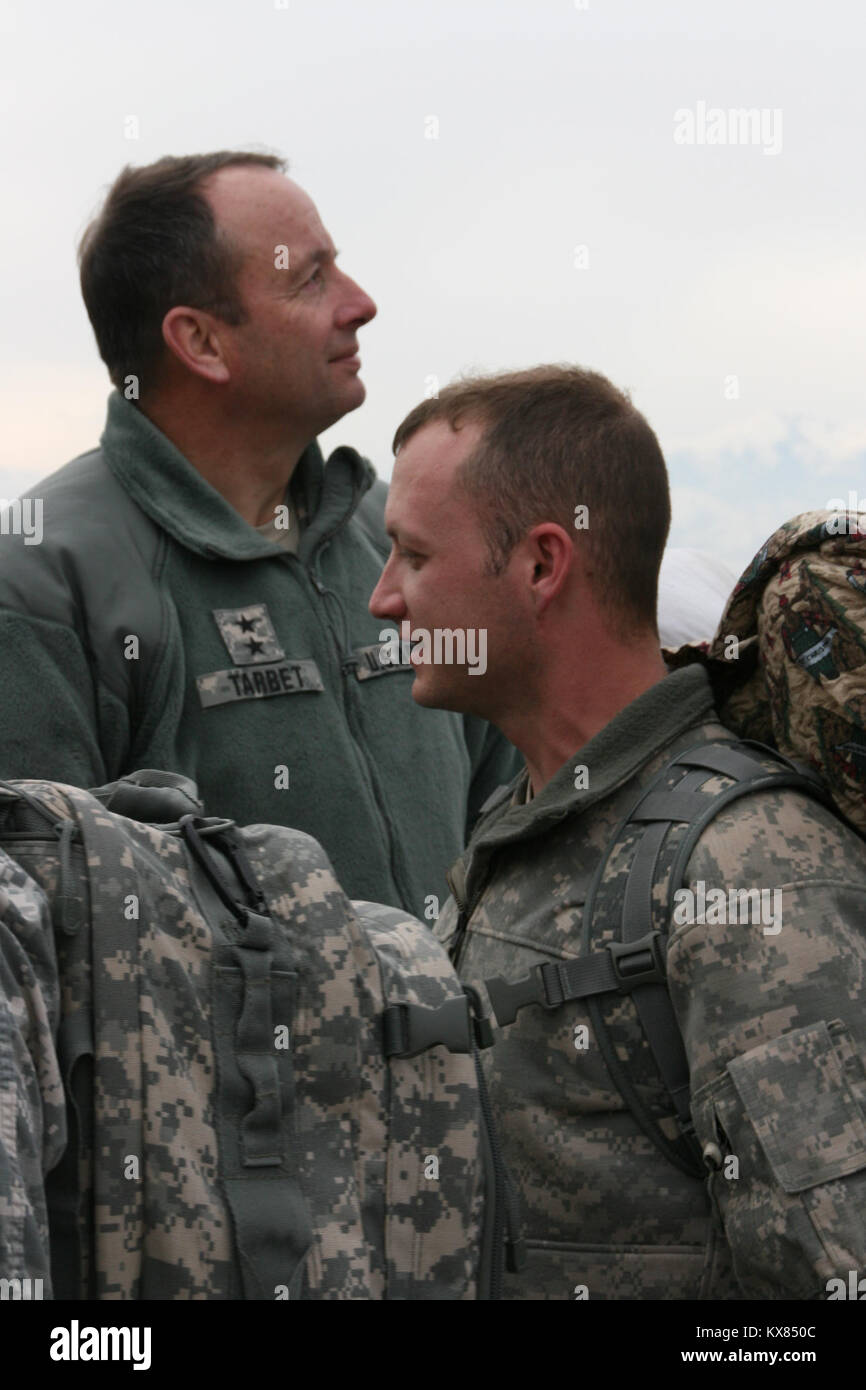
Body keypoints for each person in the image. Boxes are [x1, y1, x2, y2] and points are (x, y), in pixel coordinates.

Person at [368, 364, 866, 1300]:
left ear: (542, 566)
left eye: (415, 556)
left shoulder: (746, 868)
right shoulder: (532, 818)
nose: (384, 599)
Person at [0, 151, 519, 916]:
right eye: (310, 279)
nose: (362, 303)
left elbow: (517, 823)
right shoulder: (42, 583)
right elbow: (35, 935)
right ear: (201, 342)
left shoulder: (402, 539)